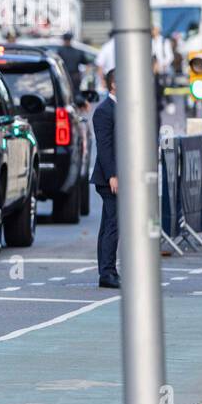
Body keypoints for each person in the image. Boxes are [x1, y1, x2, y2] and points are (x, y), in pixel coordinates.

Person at [90, 69, 119, 289]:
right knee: (113, 224)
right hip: (110, 177)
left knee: (109, 224)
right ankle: (107, 273)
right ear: (114, 85)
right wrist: (113, 175)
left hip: (116, 175)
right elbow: (105, 147)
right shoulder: (104, 111)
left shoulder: (122, 108)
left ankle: (107, 271)